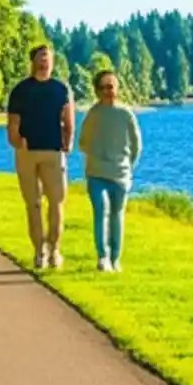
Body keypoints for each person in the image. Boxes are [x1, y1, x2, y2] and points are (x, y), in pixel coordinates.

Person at [7, 45, 75, 269]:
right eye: (41, 58)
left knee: (56, 202)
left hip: (53, 152)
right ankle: (39, 251)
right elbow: (13, 124)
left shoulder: (61, 89)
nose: (45, 63)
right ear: (33, 62)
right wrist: (18, 141)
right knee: (33, 204)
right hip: (27, 153)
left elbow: (68, 120)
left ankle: (55, 250)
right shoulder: (20, 90)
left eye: (48, 59)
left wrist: (68, 142)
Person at [77, 70, 142, 273]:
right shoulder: (93, 115)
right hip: (96, 173)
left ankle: (115, 258)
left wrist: (128, 165)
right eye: (103, 87)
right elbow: (83, 142)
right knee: (101, 211)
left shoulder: (125, 114)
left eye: (111, 86)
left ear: (117, 88)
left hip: (120, 175)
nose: (107, 91)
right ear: (97, 90)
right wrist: (98, 155)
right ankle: (102, 257)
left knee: (117, 215)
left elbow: (136, 144)